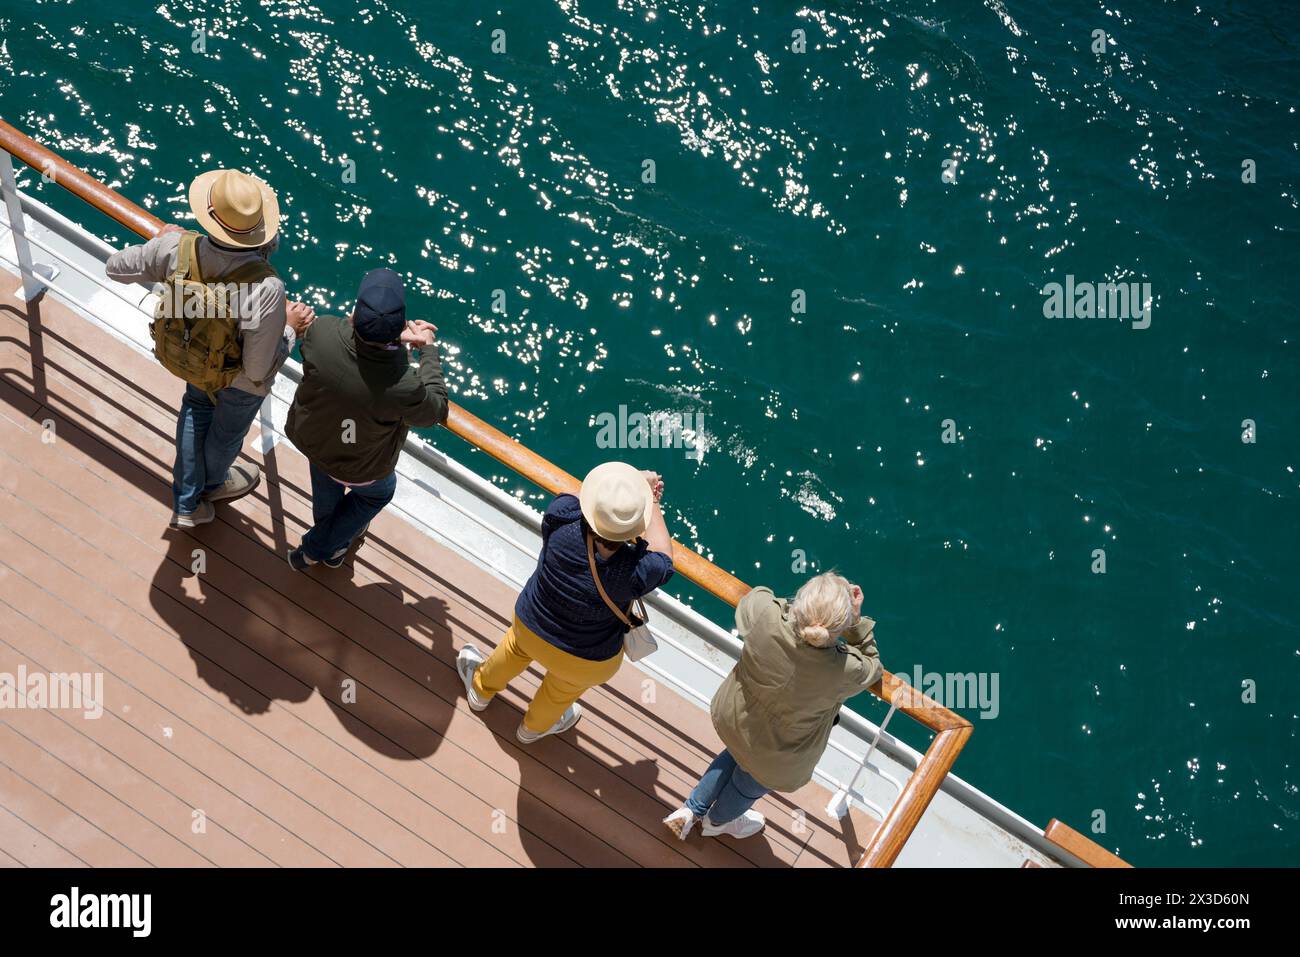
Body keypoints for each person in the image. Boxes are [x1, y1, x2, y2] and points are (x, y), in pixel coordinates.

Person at [105, 168, 315, 528]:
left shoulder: (176, 247)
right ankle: (212, 486)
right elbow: (256, 369)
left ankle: (187, 504)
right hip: (238, 382)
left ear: (211, 214)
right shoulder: (267, 288)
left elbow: (115, 269)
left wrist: (160, 242)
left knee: (196, 410)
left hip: (193, 359)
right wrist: (289, 330)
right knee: (225, 435)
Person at [457, 462, 673, 743]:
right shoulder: (636, 571)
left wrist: (629, 484)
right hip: (588, 658)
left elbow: (578, 497)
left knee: (514, 650)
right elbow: (664, 557)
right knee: (562, 691)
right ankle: (532, 729)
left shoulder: (561, 519)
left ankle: (480, 691)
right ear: (634, 526)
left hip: (531, 625)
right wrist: (650, 500)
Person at [663, 572, 881, 840]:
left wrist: (802, 608)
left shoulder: (765, 615)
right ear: (839, 626)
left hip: (738, 723)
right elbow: (873, 667)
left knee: (733, 756)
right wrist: (855, 623)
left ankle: (690, 810)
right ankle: (715, 823)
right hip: (778, 759)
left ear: (802, 602)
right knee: (745, 788)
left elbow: (757, 595)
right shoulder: (845, 670)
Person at [283, 268, 448, 569]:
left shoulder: (321, 331)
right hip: (361, 466)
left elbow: (347, 354)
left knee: (326, 486)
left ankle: (334, 547)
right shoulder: (403, 384)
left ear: (355, 314)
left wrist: (387, 338)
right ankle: (314, 550)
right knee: (378, 494)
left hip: (314, 440)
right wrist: (428, 350)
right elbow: (434, 411)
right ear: (400, 322)